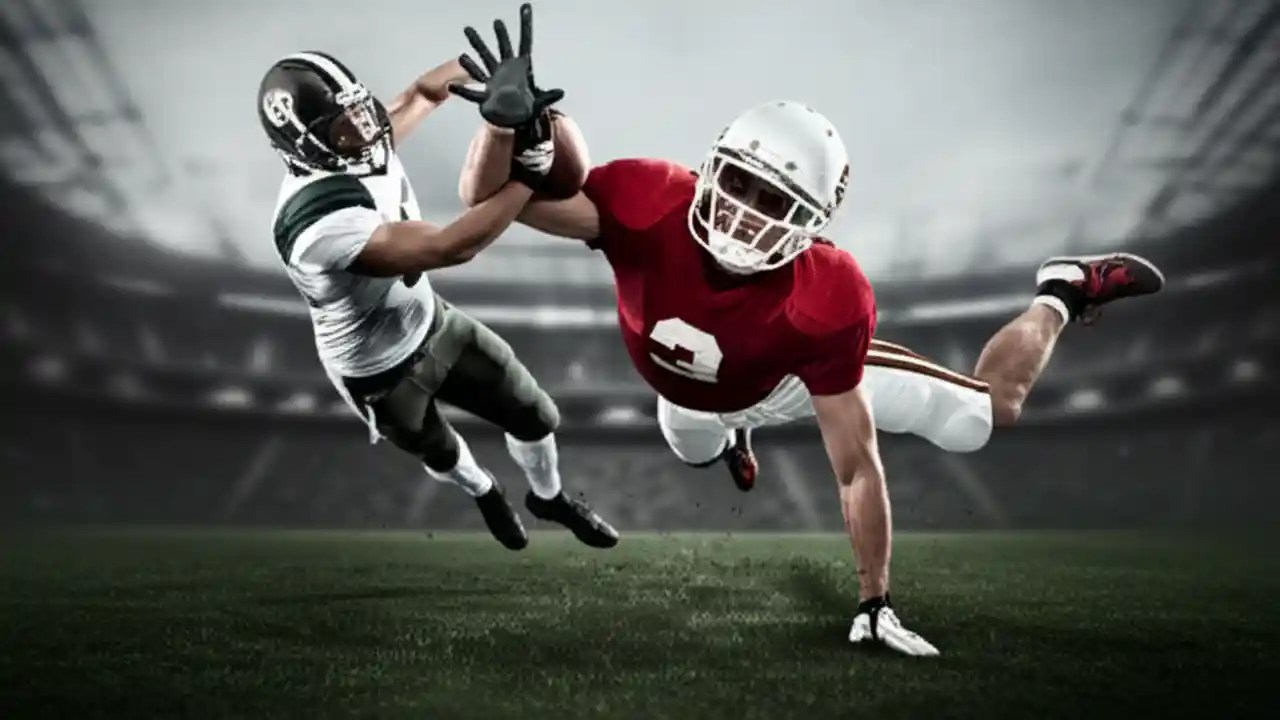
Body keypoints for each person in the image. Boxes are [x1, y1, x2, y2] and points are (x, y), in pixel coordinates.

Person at [450, 9, 1163, 653]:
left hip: (785, 381)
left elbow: (855, 465)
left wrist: (875, 599)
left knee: (984, 415)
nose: (744, 216)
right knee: (693, 446)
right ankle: (736, 437)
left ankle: (1062, 291)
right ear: (707, 170)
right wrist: (503, 129)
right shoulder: (646, 202)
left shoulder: (827, 294)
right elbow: (488, 202)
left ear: (813, 226)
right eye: (737, 185)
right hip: (691, 397)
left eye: (774, 201)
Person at [255, 33, 616, 551]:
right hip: (378, 370)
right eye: (343, 125)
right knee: (441, 452)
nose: (363, 127)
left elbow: (425, 93)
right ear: (304, 146)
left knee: (534, 413)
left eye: (360, 109)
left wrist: (490, 75)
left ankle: (550, 498)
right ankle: (486, 490)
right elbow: (452, 246)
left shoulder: (354, 142)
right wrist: (527, 176)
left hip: (431, 321)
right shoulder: (318, 225)